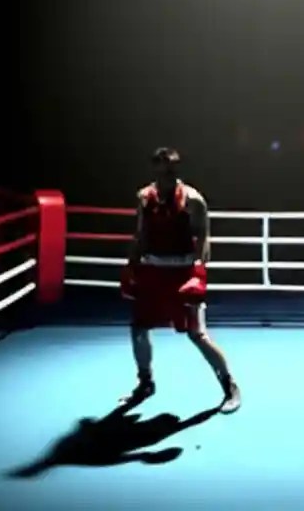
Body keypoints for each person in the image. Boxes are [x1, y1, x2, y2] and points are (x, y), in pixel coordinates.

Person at [120, 147, 241, 414]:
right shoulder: (144, 198)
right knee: (138, 329)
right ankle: (145, 383)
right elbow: (139, 236)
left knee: (197, 334)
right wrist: (131, 267)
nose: (169, 171)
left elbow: (205, 240)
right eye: (164, 166)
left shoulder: (193, 199)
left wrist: (198, 273)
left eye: (173, 167)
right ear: (155, 168)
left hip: (183, 270)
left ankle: (230, 385)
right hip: (152, 270)